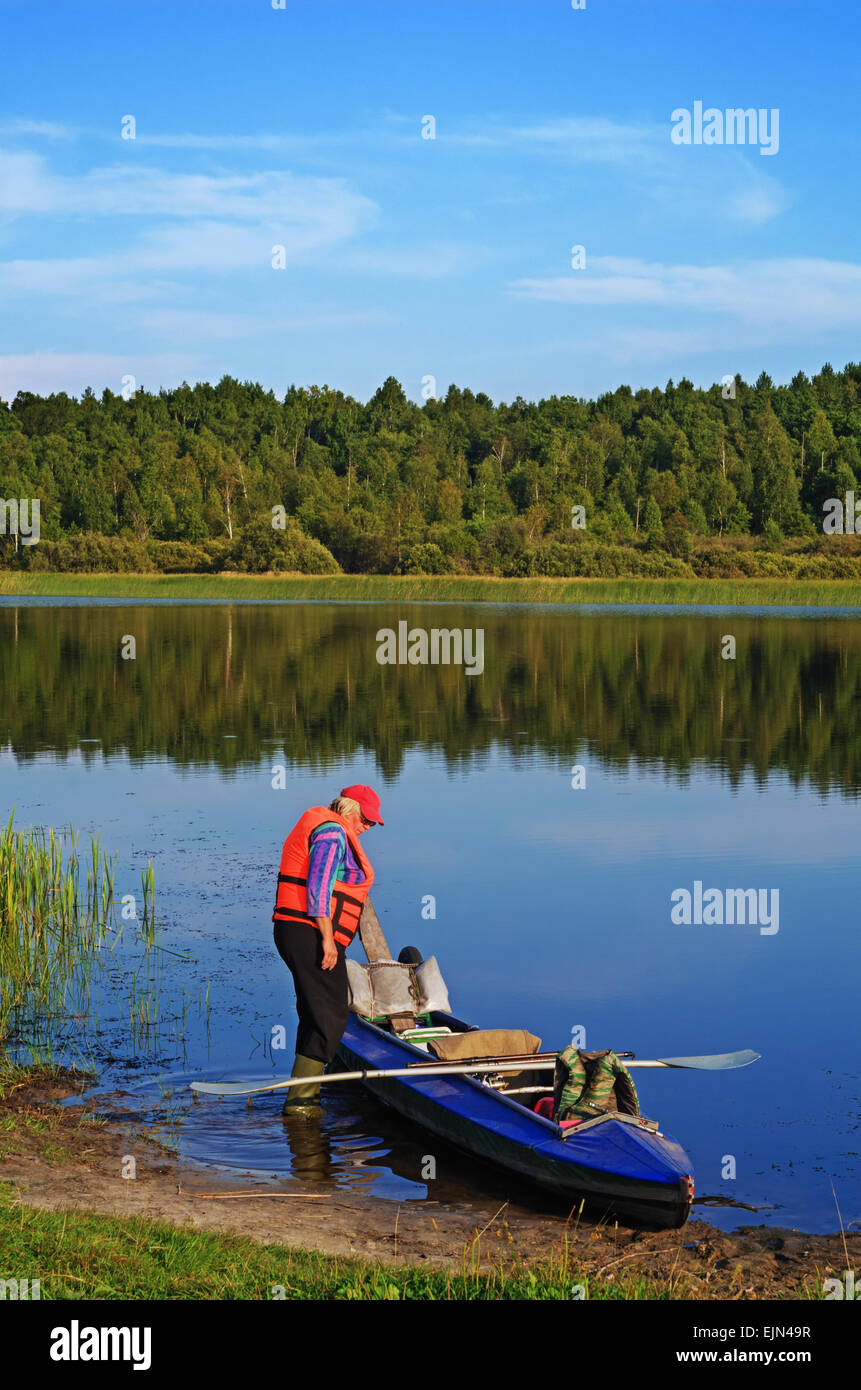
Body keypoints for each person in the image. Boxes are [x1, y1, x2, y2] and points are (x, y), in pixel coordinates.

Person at [272, 784, 384, 1107]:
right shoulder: (333, 832)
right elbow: (318, 886)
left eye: (373, 823)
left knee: (313, 1013)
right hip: (310, 933)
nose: (368, 826)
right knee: (330, 1015)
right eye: (366, 818)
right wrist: (327, 938)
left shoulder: (331, 829)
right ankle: (302, 1102)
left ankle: (305, 1093)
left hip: (298, 931)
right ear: (349, 808)